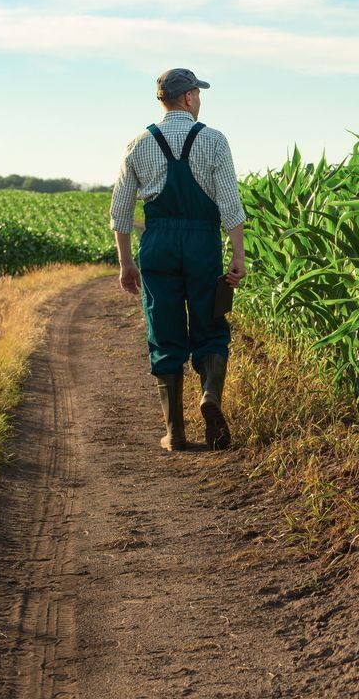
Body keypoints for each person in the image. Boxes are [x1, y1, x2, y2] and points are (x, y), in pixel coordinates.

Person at [109, 69, 246, 451]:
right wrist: (237, 254)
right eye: (198, 94)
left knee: (164, 332)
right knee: (211, 325)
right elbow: (230, 205)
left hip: (159, 244)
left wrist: (126, 263)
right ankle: (210, 397)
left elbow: (120, 212)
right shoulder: (214, 140)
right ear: (187, 97)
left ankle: (175, 432)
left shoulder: (138, 143)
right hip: (202, 243)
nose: (199, 100)